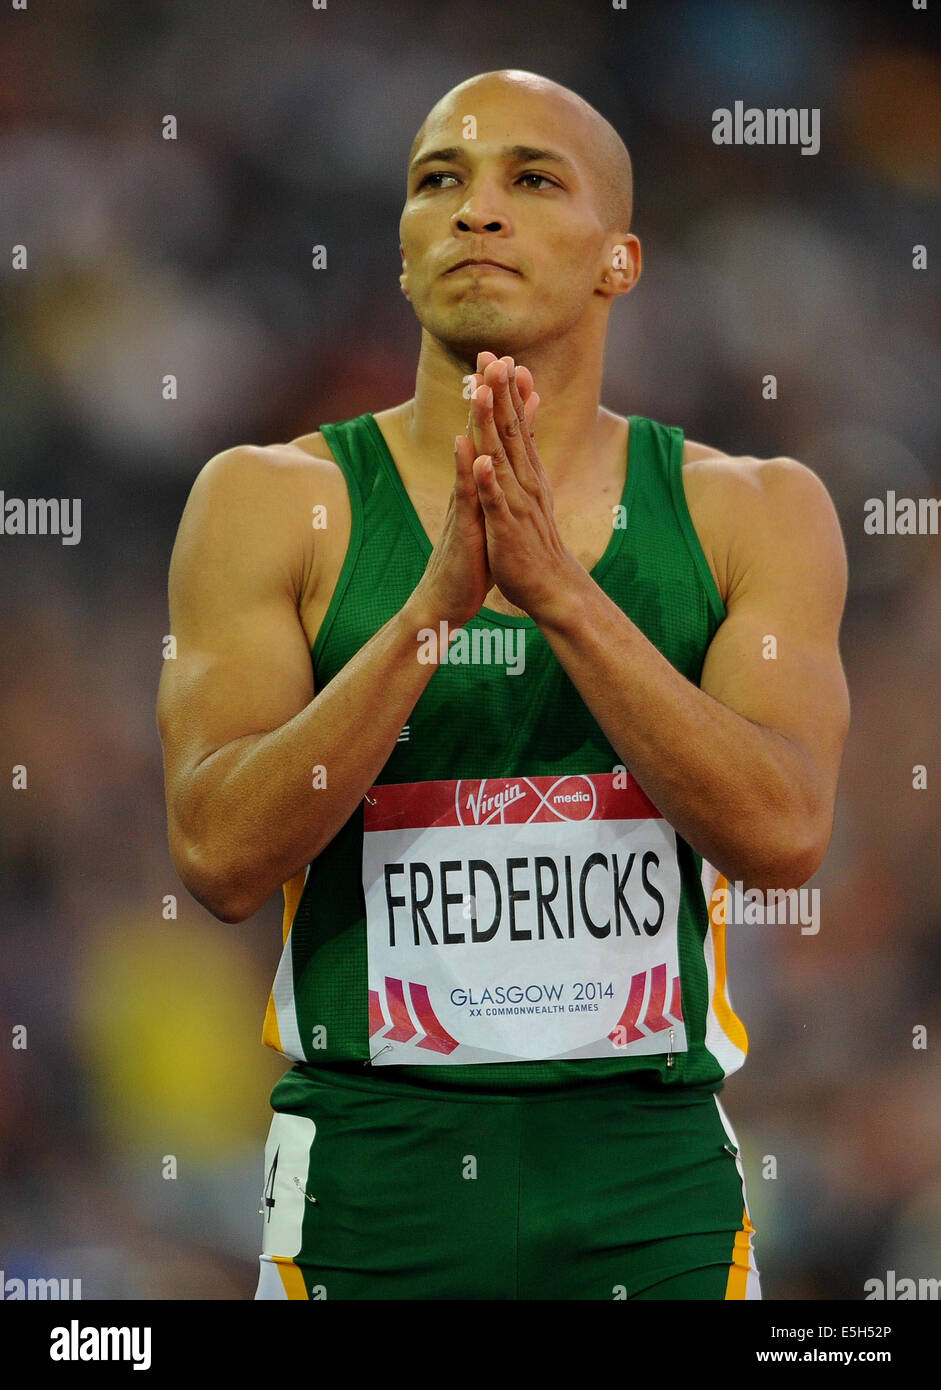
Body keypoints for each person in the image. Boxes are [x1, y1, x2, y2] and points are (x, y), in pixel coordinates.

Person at [156, 68, 850, 1300]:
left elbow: (782, 830)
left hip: (652, 1182)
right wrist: (431, 612)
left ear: (618, 261)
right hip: (372, 1173)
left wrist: (564, 597)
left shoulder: (755, 512)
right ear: (406, 249)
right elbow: (215, 853)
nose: (476, 210)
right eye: (439, 182)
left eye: (531, 180)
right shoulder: (267, 501)